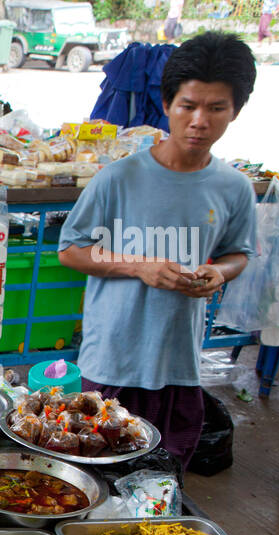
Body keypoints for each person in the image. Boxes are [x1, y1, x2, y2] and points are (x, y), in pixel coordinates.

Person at [58, 32, 257, 468]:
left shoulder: (234, 188)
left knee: (162, 475)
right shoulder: (119, 178)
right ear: (167, 105)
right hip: (112, 360)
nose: (200, 120)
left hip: (178, 362)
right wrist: (139, 267)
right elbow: (71, 251)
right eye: (188, 106)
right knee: (94, 469)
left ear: (235, 112)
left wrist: (221, 272)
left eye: (216, 108)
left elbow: (239, 253)